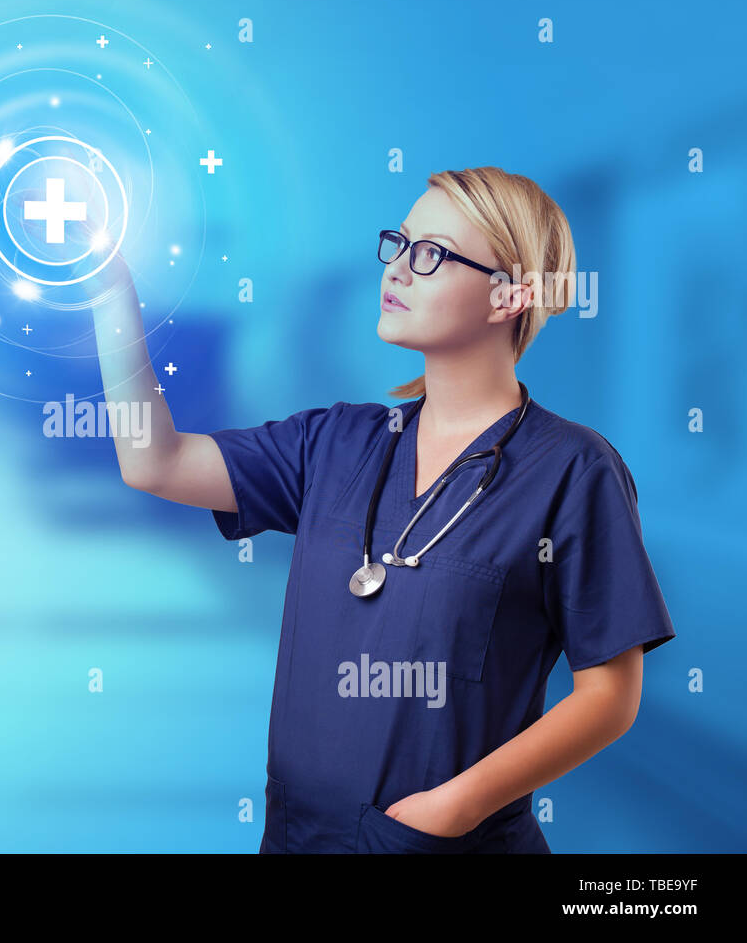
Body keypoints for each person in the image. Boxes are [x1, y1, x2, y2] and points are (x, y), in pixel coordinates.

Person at [89, 166, 676, 853]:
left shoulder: (573, 471)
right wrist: (111, 299)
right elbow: (153, 461)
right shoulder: (334, 443)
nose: (396, 269)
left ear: (509, 295)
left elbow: (609, 697)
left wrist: (457, 808)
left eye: (429, 254)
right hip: (297, 837)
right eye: (397, 244)